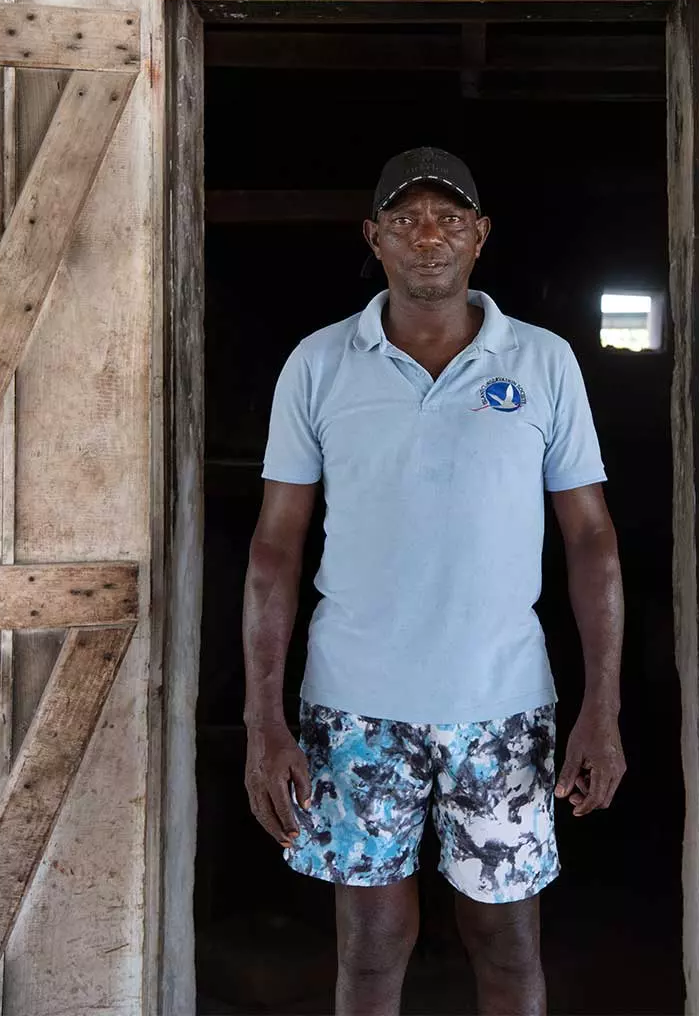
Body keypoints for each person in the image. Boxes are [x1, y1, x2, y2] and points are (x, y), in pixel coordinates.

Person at [241, 146, 627, 1016]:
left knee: (507, 940)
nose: (428, 237)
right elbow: (274, 548)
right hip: (354, 708)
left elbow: (593, 539)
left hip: (504, 708)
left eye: (449, 219)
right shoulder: (319, 364)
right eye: (407, 220)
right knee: (372, 949)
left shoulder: (542, 364)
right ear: (372, 236)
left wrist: (601, 709)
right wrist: (264, 719)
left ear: (480, 237)